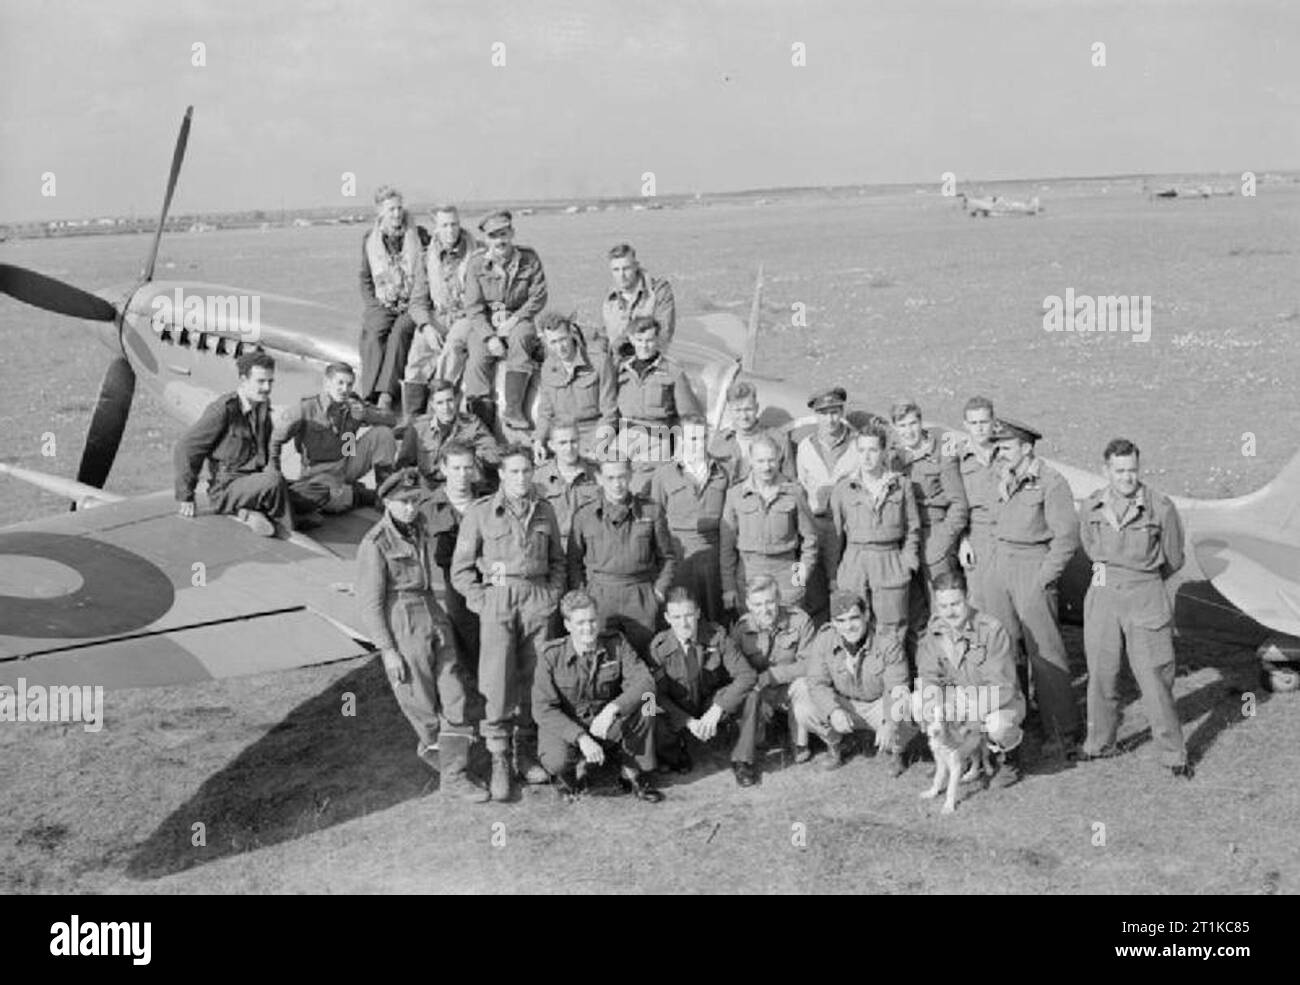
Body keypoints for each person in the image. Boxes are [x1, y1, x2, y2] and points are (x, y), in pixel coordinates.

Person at [356, 468, 484, 802]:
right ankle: (451, 771)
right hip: (403, 622)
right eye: (403, 502)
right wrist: (388, 651)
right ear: (387, 502)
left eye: (414, 501)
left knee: (455, 693)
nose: (411, 508)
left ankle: (454, 773)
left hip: (433, 614)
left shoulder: (421, 529)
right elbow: (370, 604)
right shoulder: (375, 544)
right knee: (422, 704)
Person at [450, 444, 566, 801]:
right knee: (497, 680)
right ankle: (499, 756)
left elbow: (558, 561)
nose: (520, 478)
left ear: (533, 472)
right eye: (513, 472)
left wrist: (551, 596)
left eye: (526, 471)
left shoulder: (545, 510)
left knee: (534, 679)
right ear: (501, 474)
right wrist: (484, 603)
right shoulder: (481, 512)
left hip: (537, 601)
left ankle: (525, 751)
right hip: (499, 601)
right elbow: (461, 570)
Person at [1076, 439, 1191, 778]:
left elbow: (1173, 558)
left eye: (1132, 470)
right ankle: (1099, 744)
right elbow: (1089, 545)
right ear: (1106, 470)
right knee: (1101, 672)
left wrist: (1144, 578)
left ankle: (1174, 754)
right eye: (1119, 470)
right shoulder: (1092, 505)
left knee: (1155, 677)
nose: (1127, 477)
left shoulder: (1161, 507)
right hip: (1102, 591)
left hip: (1145, 591)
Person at [981, 417, 1081, 751]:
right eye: (999, 446)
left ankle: (1062, 729)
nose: (1002, 453)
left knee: (1044, 650)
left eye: (1007, 447)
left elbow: (1066, 538)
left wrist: (1043, 578)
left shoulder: (1051, 483)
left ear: (1026, 447)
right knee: (1004, 648)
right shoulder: (998, 475)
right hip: (1000, 564)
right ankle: (1015, 722)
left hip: (1032, 567)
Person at [532, 590, 663, 802]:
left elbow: (645, 681)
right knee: (556, 760)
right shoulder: (551, 656)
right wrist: (580, 738)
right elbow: (543, 709)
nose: (588, 628)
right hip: (568, 727)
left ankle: (633, 772)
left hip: (604, 722)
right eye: (580, 622)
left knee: (648, 702)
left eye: (592, 620)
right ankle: (568, 774)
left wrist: (613, 709)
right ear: (567, 626)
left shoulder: (616, 643)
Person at [914, 571, 1026, 787]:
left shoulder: (991, 630)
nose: (950, 612)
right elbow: (928, 677)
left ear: (968, 597)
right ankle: (953, 756)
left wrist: (972, 718)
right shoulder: (934, 632)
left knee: (998, 726)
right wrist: (935, 708)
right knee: (918, 702)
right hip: (959, 698)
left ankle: (1009, 758)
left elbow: (1002, 686)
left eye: (956, 604)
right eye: (943, 606)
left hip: (996, 699)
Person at [175, 351, 298, 536]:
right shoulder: (223, 410)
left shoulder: (262, 405)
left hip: (251, 481)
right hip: (225, 489)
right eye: (261, 381)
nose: (267, 387)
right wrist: (186, 496)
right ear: (243, 379)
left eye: (270, 381)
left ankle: (248, 512)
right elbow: (185, 448)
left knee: (300, 490)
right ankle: (290, 530)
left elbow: (265, 450)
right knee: (274, 482)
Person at [644, 589, 757, 786]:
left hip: (708, 702)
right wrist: (687, 721)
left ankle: (742, 760)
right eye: (677, 617)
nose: (684, 623)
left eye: (688, 615)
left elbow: (747, 675)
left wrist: (717, 709)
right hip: (678, 707)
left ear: (697, 613)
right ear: (667, 618)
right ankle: (673, 753)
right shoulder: (658, 648)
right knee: (648, 705)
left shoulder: (717, 636)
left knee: (751, 696)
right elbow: (656, 696)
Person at [797, 590, 918, 773]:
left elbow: (896, 687)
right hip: (845, 705)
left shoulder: (887, 642)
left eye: (854, 618)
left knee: (910, 706)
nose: (848, 626)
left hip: (879, 705)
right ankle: (836, 747)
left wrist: (889, 722)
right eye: (841, 621)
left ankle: (897, 752)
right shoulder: (824, 640)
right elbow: (816, 682)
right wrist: (833, 711)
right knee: (803, 697)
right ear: (833, 622)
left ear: (866, 615)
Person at [567, 455, 677, 656]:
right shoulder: (584, 515)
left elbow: (667, 557)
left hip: (640, 596)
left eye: (622, 477)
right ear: (599, 478)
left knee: (645, 654)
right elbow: (573, 563)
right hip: (599, 596)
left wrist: (658, 593)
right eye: (610, 478)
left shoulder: (650, 511)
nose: (617, 484)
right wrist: (583, 596)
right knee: (603, 656)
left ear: (631, 475)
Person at [269, 362, 397, 522]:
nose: (345, 389)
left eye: (349, 384)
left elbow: (391, 421)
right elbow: (274, 440)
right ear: (327, 384)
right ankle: (365, 496)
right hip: (319, 473)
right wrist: (274, 474)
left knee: (383, 434)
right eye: (340, 383)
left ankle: (384, 490)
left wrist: (364, 412)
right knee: (330, 501)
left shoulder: (353, 406)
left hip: (347, 461)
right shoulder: (306, 408)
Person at [890, 400, 969, 657]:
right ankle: (923, 670)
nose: (909, 431)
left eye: (913, 423)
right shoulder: (893, 457)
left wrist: (943, 541)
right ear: (895, 428)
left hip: (934, 532)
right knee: (913, 609)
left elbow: (958, 504)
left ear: (921, 422)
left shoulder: (942, 450)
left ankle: (953, 669)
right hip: (905, 537)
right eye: (902, 425)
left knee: (944, 608)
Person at [829, 422, 920, 641]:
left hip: (889, 559)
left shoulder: (901, 485)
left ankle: (894, 674)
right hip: (855, 560)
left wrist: (908, 563)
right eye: (861, 450)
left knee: (892, 627)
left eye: (873, 450)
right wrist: (835, 573)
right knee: (853, 626)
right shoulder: (844, 488)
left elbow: (913, 528)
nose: (866, 457)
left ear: (884, 451)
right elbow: (834, 538)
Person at [461, 210, 548, 431]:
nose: (499, 240)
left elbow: (538, 296)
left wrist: (515, 320)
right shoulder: (477, 265)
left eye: (503, 233)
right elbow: (474, 307)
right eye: (493, 236)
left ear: (512, 233)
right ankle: (480, 422)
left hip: (519, 317)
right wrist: (490, 337)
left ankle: (514, 409)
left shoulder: (529, 259)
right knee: (477, 359)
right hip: (488, 320)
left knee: (521, 341)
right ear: (487, 239)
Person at [719, 434, 818, 613]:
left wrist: (799, 579)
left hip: (785, 570)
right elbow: (727, 547)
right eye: (761, 461)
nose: (767, 467)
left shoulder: (794, 492)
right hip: (750, 572)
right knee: (753, 631)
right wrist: (728, 587)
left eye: (771, 460)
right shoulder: (735, 494)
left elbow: (810, 539)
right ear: (751, 461)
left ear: (779, 459)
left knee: (790, 628)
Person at [730, 574, 818, 774]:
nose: (765, 609)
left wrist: (772, 675)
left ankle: (800, 742)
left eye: (769, 602)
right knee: (756, 727)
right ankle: (762, 735)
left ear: (778, 598)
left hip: (790, 687)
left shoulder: (799, 620)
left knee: (805, 685)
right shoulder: (742, 628)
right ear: (748, 605)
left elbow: (810, 664)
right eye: (758, 604)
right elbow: (735, 668)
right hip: (759, 691)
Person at [648, 414, 730, 624]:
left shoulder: (722, 472)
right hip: (679, 557)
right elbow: (656, 522)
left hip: (714, 558)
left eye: (702, 438)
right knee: (682, 616)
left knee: (714, 617)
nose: (698, 444)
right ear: (681, 440)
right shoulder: (664, 474)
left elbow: (730, 521)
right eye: (692, 439)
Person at [614, 315, 704, 492]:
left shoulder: (672, 372)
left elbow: (690, 415)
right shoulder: (622, 369)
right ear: (631, 339)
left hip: (655, 438)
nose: (644, 346)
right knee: (612, 482)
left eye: (650, 340)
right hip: (624, 435)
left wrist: (687, 453)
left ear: (657, 340)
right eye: (639, 340)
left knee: (642, 490)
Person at [795, 387, 863, 620]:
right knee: (810, 587)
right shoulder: (805, 447)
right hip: (814, 524)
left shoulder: (857, 444)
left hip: (846, 527)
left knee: (843, 585)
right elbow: (801, 488)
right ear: (816, 416)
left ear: (841, 412)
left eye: (835, 412)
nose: (830, 419)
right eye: (824, 413)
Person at [404, 204, 482, 406]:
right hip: (440, 314)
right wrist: (426, 326)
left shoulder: (478, 252)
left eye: (454, 224)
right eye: (445, 225)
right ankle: (412, 415)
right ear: (436, 227)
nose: (451, 230)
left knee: (452, 348)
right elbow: (417, 301)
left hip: (468, 315)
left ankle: (440, 404)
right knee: (419, 349)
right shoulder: (425, 257)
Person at [419, 441, 484, 671]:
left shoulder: (487, 504)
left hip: (484, 584)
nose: (462, 475)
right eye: (456, 468)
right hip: (444, 592)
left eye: (467, 468)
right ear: (443, 469)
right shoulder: (425, 510)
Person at [359, 186, 421, 410]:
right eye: (391, 209)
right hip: (383, 300)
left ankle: (386, 393)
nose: (396, 214)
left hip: (412, 301)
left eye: (399, 208)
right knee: (374, 332)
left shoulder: (418, 235)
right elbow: (365, 277)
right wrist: (372, 304)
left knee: (398, 334)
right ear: (380, 212)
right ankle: (367, 394)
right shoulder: (370, 240)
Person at [533, 311, 618, 459]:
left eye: (563, 339)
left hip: (593, 433)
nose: (560, 347)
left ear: (571, 335)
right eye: (553, 342)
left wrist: (599, 445)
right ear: (546, 343)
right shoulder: (548, 368)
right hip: (562, 436)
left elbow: (609, 412)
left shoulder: (599, 362)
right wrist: (539, 439)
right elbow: (545, 412)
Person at [396, 379, 501, 488]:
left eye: (449, 401)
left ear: (457, 400)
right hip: (429, 487)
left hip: (463, 484)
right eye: (440, 403)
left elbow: (493, 455)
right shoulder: (418, 427)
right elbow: (403, 463)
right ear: (432, 404)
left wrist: (471, 454)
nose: (446, 408)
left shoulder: (472, 424)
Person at [956, 396, 1001, 611]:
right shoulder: (958, 460)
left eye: (984, 422)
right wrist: (963, 541)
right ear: (966, 426)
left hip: (1009, 533)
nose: (980, 428)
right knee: (980, 601)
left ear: (994, 422)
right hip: (978, 536)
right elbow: (955, 505)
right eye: (974, 423)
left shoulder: (1008, 454)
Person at [708, 379, 794, 482]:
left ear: (757, 408)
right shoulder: (720, 441)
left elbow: (790, 481)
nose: (744, 416)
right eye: (738, 410)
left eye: (748, 409)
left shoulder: (778, 439)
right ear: (730, 411)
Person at [532, 419, 600, 544]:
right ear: (552, 445)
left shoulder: (596, 473)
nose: (569, 448)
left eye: (573, 441)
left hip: (589, 546)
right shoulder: (539, 477)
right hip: (554, 547)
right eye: (562, 443)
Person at [601, 243, 676, 355]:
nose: (621, 275)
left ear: (636, 266)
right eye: (616, 270)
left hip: (651, 365)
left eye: (626, 268)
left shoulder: (658, 291)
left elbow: (664, 334)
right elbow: (606, 340)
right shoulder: (610, 300)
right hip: (618, 367)